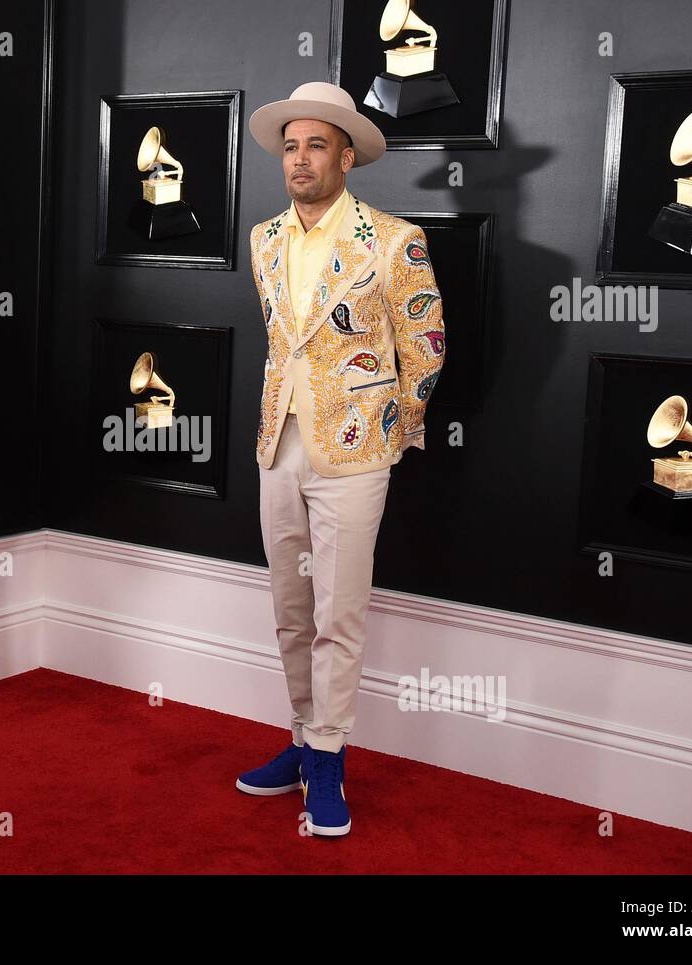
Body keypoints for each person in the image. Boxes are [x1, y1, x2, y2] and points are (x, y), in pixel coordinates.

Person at [236, 82, 445, 836]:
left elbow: (425, 346)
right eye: (290, 146)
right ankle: (299, 739)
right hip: (277, 444)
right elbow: (279, 343)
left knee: (338, 615)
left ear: (346, 156)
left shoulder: (393, 239)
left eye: (315, 145)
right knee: (291, 612)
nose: (299, 158)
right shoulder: (263, 239)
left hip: (355, 453)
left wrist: (391, 428)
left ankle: (329, 756)